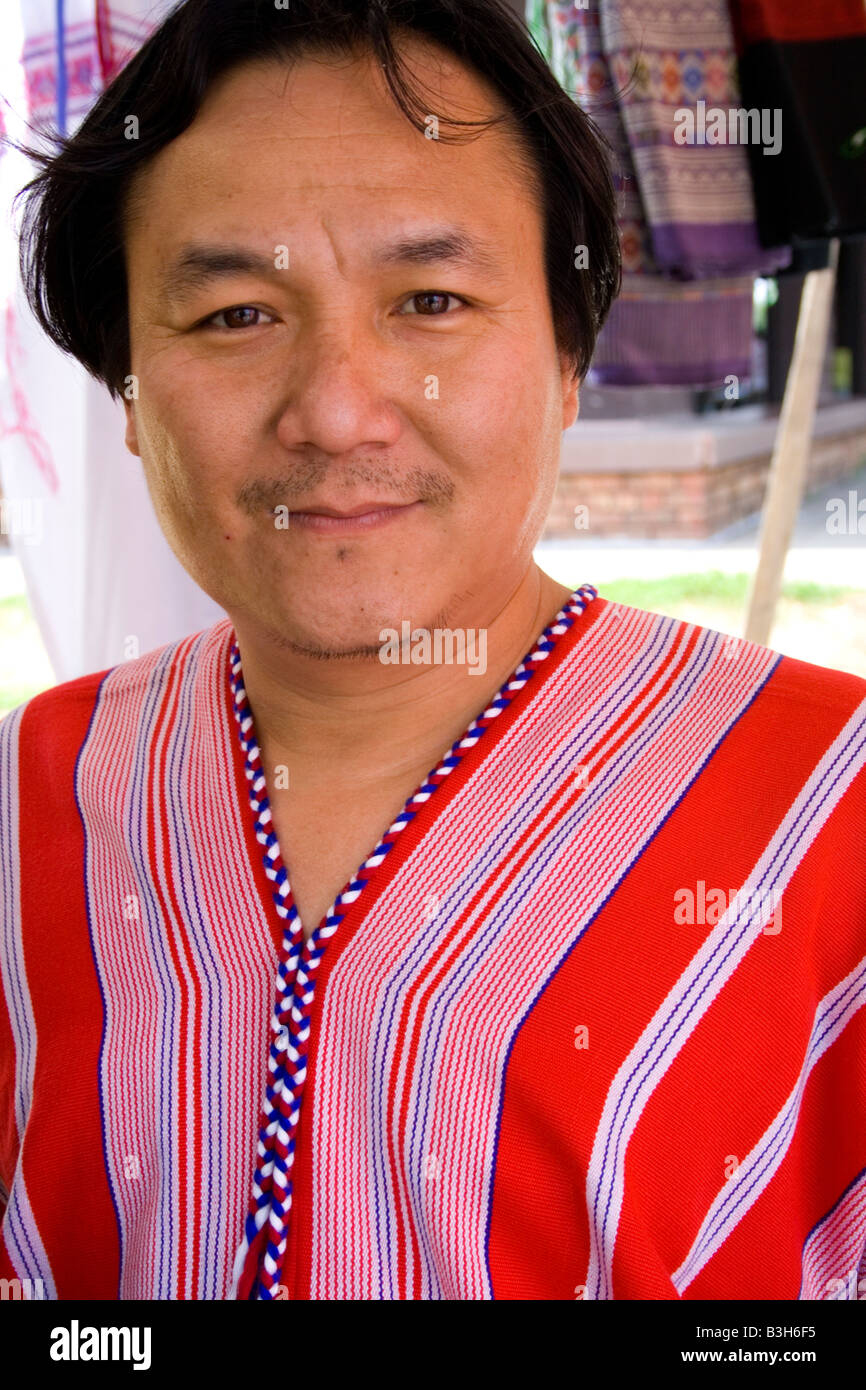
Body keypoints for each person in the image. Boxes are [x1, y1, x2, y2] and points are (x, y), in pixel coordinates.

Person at [0, 0, 863, 1302]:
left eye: (431, 299)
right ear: (126, 387)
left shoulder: (828, 805)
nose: (336, 409)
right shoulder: (28, 796)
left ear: (570, 357)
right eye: (235, 314)